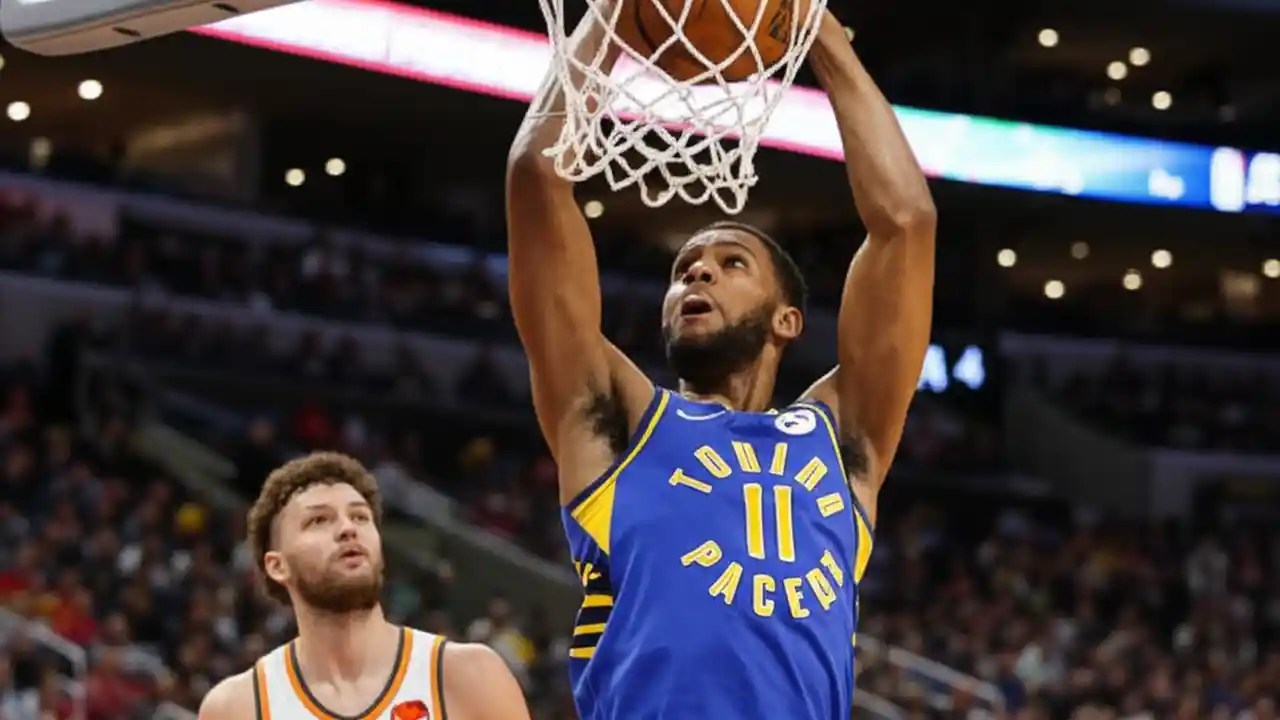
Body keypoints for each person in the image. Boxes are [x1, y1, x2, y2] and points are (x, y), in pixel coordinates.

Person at [506, 3, 935, 718]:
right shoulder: (619, 422)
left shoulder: (841, 438)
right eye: (683, 269)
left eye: (729, 263)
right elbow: (536, 178)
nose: (696, 275)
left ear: (787, 321)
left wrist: (815, 31)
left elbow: (906, 225)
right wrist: (612, 20)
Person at [198, 452, 530, 720]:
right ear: (277, 566)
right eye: (319, 520)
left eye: (359, 517)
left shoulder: (467, 676)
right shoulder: (237, 708)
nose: (347, 529)